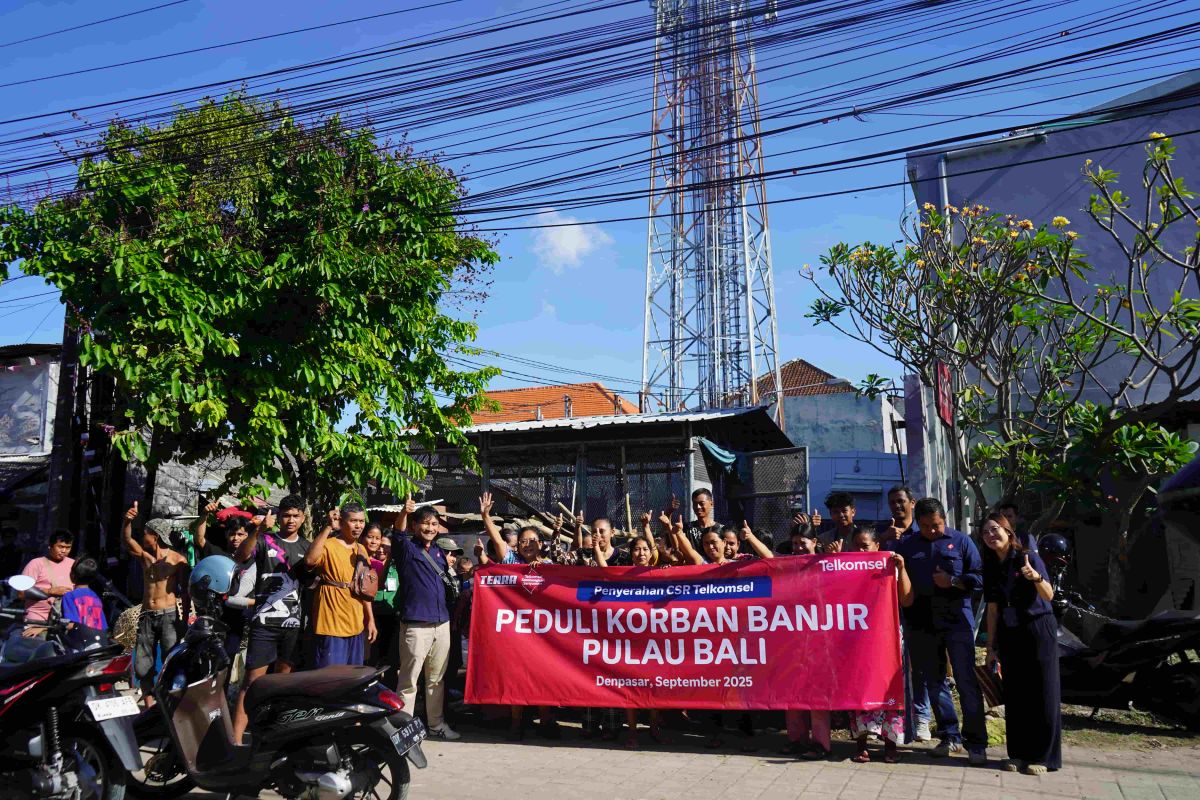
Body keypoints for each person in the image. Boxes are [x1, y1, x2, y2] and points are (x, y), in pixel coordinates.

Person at [895, 497, 988, 765]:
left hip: (957, 622)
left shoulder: (961, 541)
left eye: (935, 525)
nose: (931, 531)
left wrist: (954, 581)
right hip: (922, 624)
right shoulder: (908, 545)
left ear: (942, 520)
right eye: (925, 526)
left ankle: (976, 742)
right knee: (935, 682)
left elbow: (980, 577)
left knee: (966, 681)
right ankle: (950, 736)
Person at [982, 512, 1061, 775]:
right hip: (1010, 631)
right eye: (985, 532)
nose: (991, 536)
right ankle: (1017, 754)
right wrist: (990, 647)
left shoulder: (1028, 556)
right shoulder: (991, 565)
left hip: (1038, 628)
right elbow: (992, 609)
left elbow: (1048, 595)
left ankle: (1044, 757)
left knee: (1043, 693)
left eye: (995, 530)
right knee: (1016, 694)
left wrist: (1035, 577)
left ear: (1008, 533)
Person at [231, 495, 311, 743]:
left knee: (282, 684)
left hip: (293, 625)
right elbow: (240, 556)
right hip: (264, 625)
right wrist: (257, 530)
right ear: (278, 516)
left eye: (296, 515)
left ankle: (274, 737)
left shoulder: (307, 547)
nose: (290, 520)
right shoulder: (265, 541)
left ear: (303, 518)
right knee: (252, 683)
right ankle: (235, 740)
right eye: (286, 515)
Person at [481, 493, 561, 740]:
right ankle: (516, 723)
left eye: (533, 540)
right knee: (518, 677)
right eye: (524, 541)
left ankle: (546, 720)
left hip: (544, 633)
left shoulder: (550, 564)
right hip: (516, 633)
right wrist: (485, 516)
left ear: (541, 543)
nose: (528, 544)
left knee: (544, 677)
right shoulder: (511, 561)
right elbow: (497, 542)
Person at [392, 502, 460, 741]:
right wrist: (404, 511)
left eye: (434, 524)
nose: (430, 528)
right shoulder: (406, 548)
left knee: (436, 680)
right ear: (415, 525)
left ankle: (436, 725)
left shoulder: (439, 552)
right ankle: (404, 730)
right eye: (425, 523)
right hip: (415, 624)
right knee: (409, 680)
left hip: (441, 624)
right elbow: (397, 533)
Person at [847, 529, 914, 763]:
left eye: (865, 545)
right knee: (861, 688)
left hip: (889, 638)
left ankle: (890, 745)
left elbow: (907, 599)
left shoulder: (890, 565)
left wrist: (902, 569)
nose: (861, 550)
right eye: (856, 545)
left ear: (877, 545)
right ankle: (862, 745)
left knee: (891, 689)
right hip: (858, 640)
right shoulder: (845, 568)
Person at [122, 502, 189, 707]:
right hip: (147, 615)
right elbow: (127, 540)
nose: (143, 537)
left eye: (146, 534)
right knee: (143, 663)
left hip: (169, 615)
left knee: (171, 660)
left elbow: (185, 592)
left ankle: (169, 703)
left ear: (156, 537)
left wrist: (184, 620)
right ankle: (150, 706)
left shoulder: (178, 561)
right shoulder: (145, 558)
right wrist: (127, 521)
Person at [305, 503, 376, 668]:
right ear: (342, 522)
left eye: (361, 521)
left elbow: (365, 589)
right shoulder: (329, 544)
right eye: (353, 521)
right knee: (330, 678)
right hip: (331, 621)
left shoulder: (361, 550)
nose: (358, 525)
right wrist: (328, 527)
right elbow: (309, 561)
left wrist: (370, 620)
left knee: (352, 677)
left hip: (356, 623)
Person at [19, 529, 75, 637]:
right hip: (37, 620)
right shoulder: (36, 564)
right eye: (60, 546)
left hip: (64, 622)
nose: (64, 551)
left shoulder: (73, 564)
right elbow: (21, 593)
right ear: (50, 546)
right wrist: (50, 591)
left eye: (68, 547)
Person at [364, 523, 397, 670]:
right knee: (371, 657)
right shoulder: (369, 563)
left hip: (392, 616)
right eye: (380, 545)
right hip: (373, 615)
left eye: (387, 546)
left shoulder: (397, 567)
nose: (382, 549)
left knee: (390, 659)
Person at [61, 557, 109, 633]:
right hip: (98, 640)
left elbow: (72, 624)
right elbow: (103, 626)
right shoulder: (95, 597)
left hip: (81, 640)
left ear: (72, 575)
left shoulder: (69, 596)